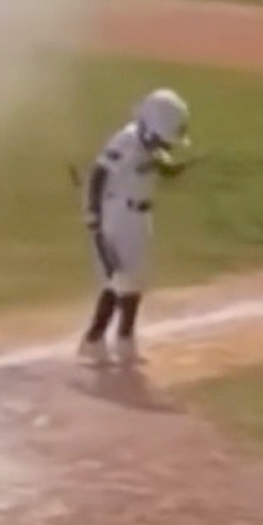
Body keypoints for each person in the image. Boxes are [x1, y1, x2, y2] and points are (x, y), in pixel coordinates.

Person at [78, 89, 195, 367]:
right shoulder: (126, 140)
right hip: (118, 215)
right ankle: (93, 340)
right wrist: (93, 215)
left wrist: (170, 169)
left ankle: (125, 339)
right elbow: (98, 174)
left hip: (140, 215)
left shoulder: (149, 141)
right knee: (118, 280)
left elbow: (156, 160)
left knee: (136, 280)